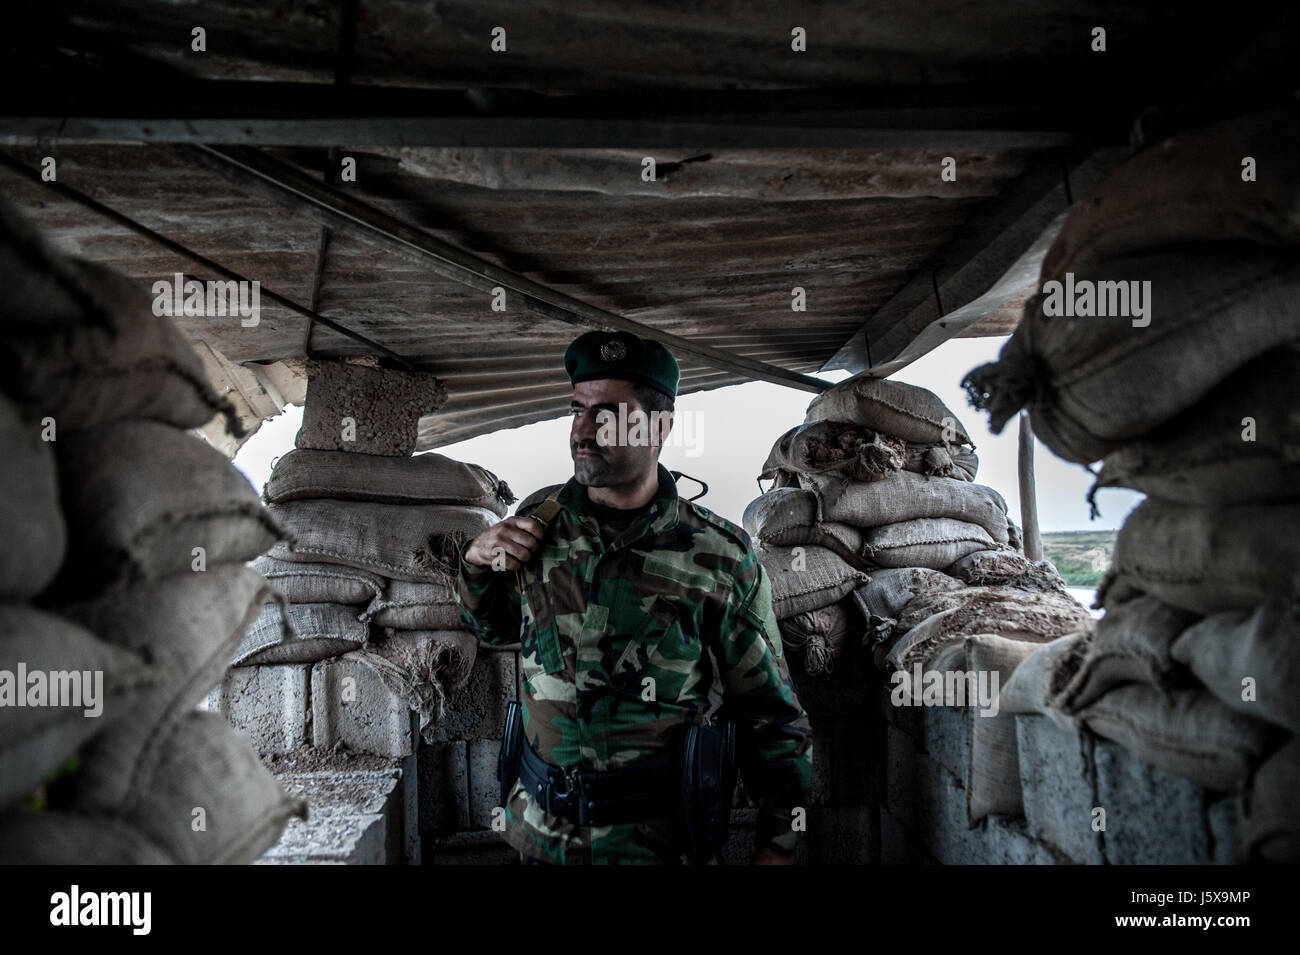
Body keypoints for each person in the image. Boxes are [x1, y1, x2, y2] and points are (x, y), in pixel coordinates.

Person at [456, 329, 812, 864]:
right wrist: (476, 562)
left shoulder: (718, 556)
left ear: (661, 427)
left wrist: (779, 848)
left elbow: (771, 716)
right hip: (540, 837)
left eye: (608, 414)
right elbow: (494, 628)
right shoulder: (537, 523)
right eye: (577, 409)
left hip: (660, 846)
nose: (583, 430)